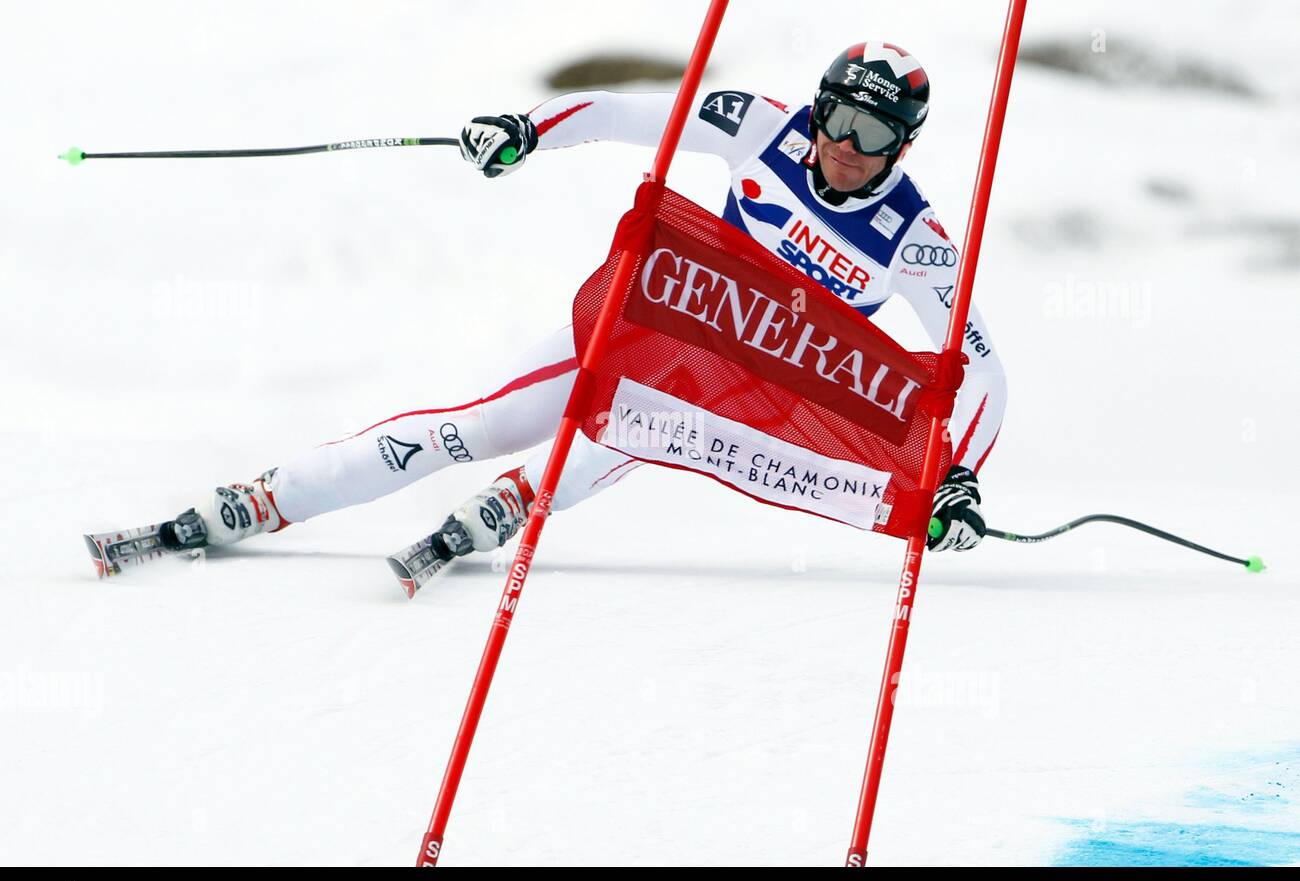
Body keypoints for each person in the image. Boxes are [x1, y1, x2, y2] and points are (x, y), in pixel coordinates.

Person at [153, 41, 1006, 568]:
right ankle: (275, 496)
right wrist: (528, 130)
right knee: (483, 423)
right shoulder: (767, 128)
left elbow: (983, 371)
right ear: (820, 105)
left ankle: (521, 498)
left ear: (905, 144)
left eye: (877, 135)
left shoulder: (915, 239)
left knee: (622, 441)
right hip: (643, 329)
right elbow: (629, 111)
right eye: (843, 119)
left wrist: (957, 475)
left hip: (732, 393)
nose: (848, 149)